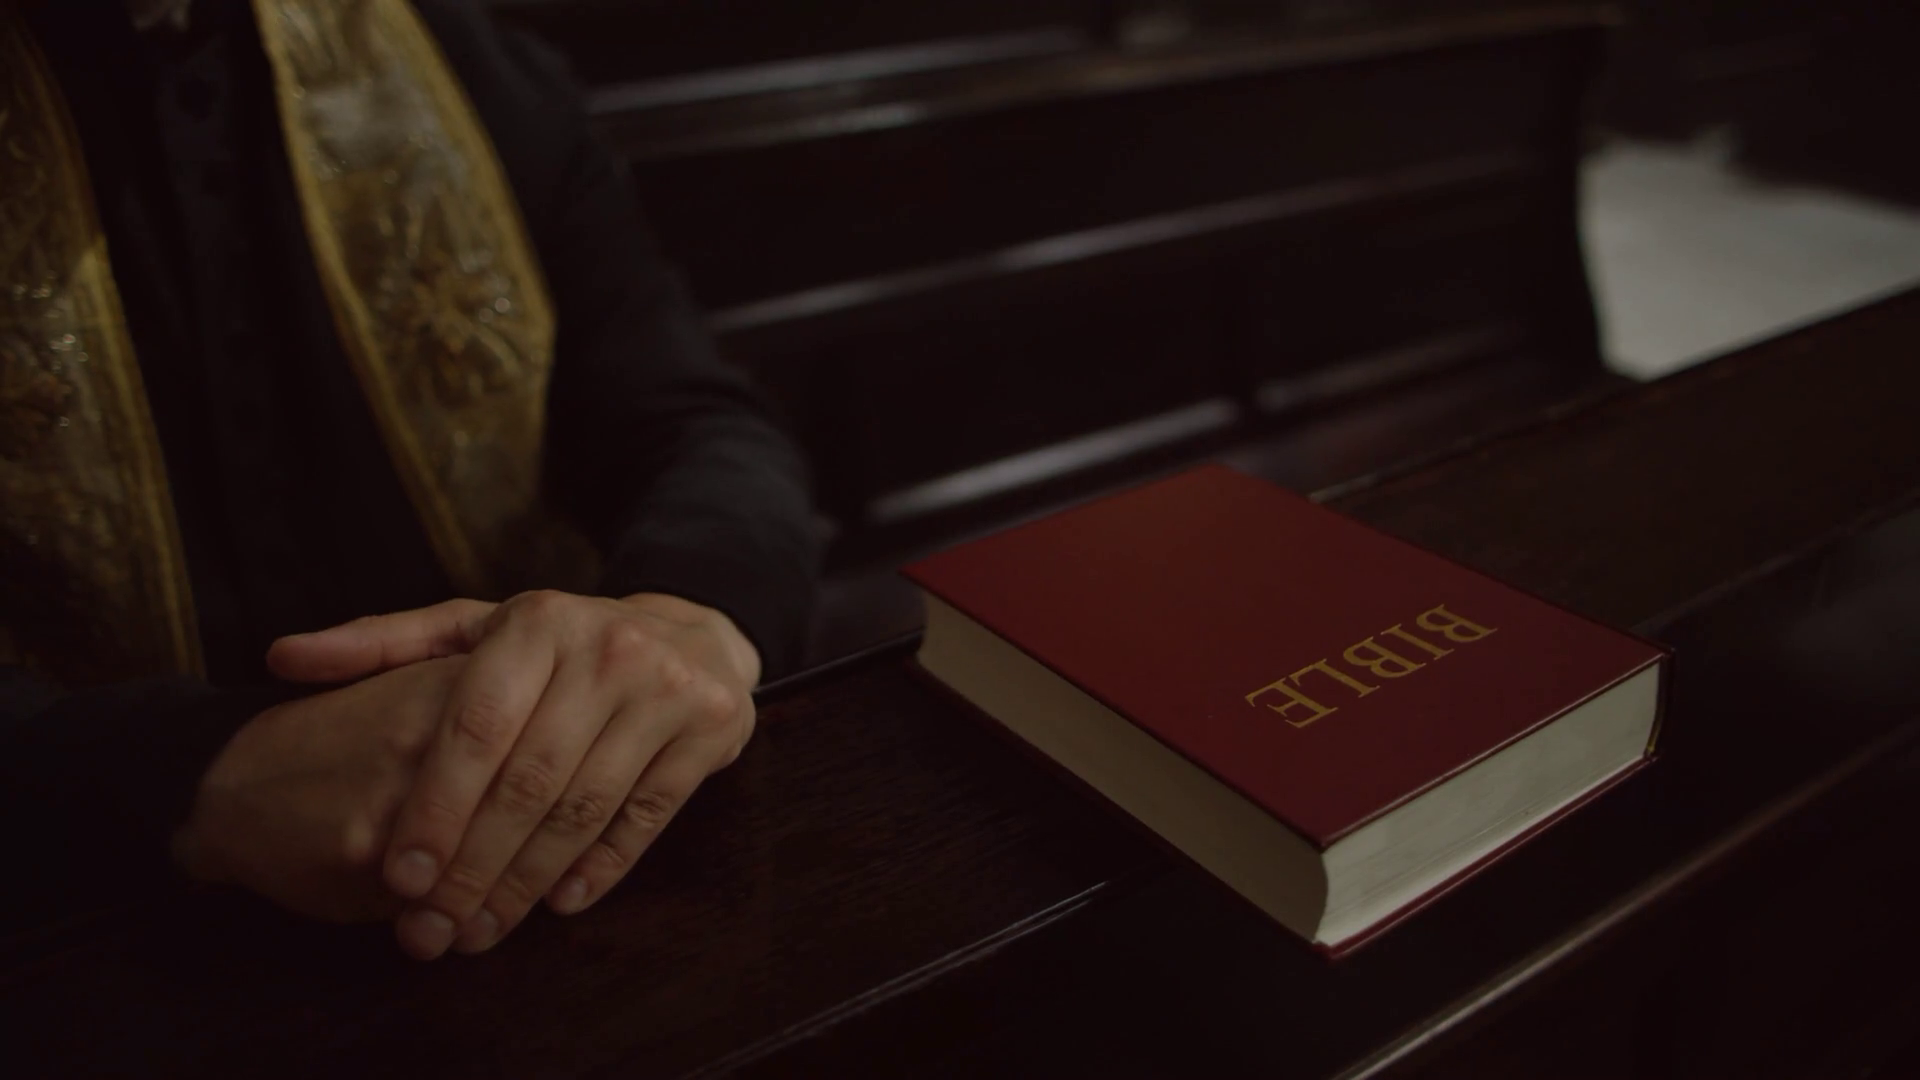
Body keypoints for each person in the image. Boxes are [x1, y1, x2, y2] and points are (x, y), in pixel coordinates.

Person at [0, 0, 820, 960]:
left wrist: (684, 620)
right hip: (84, 928)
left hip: (532, 866)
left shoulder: (467, 62)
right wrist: (197, 775)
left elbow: (695, 421)